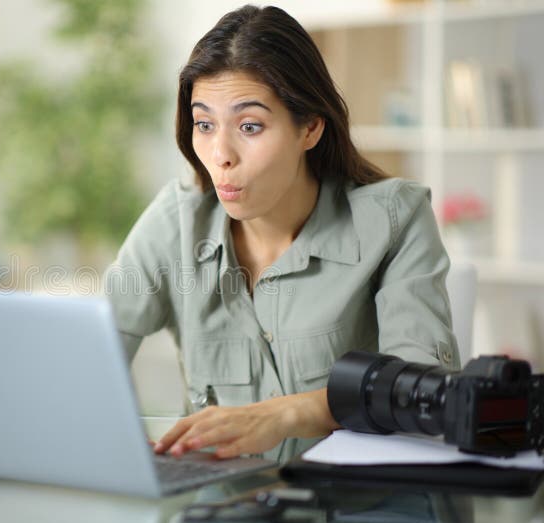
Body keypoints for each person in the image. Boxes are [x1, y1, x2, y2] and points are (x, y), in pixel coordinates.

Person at [104, 5, 460, 462]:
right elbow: (92, 356)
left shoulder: (394, 219)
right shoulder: (174, 222)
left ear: (309, 127)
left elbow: (423, 391)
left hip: (351, 508)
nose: (220, 154)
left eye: (249, 126)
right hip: (216, 511)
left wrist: (287, 414)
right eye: (204, 124)